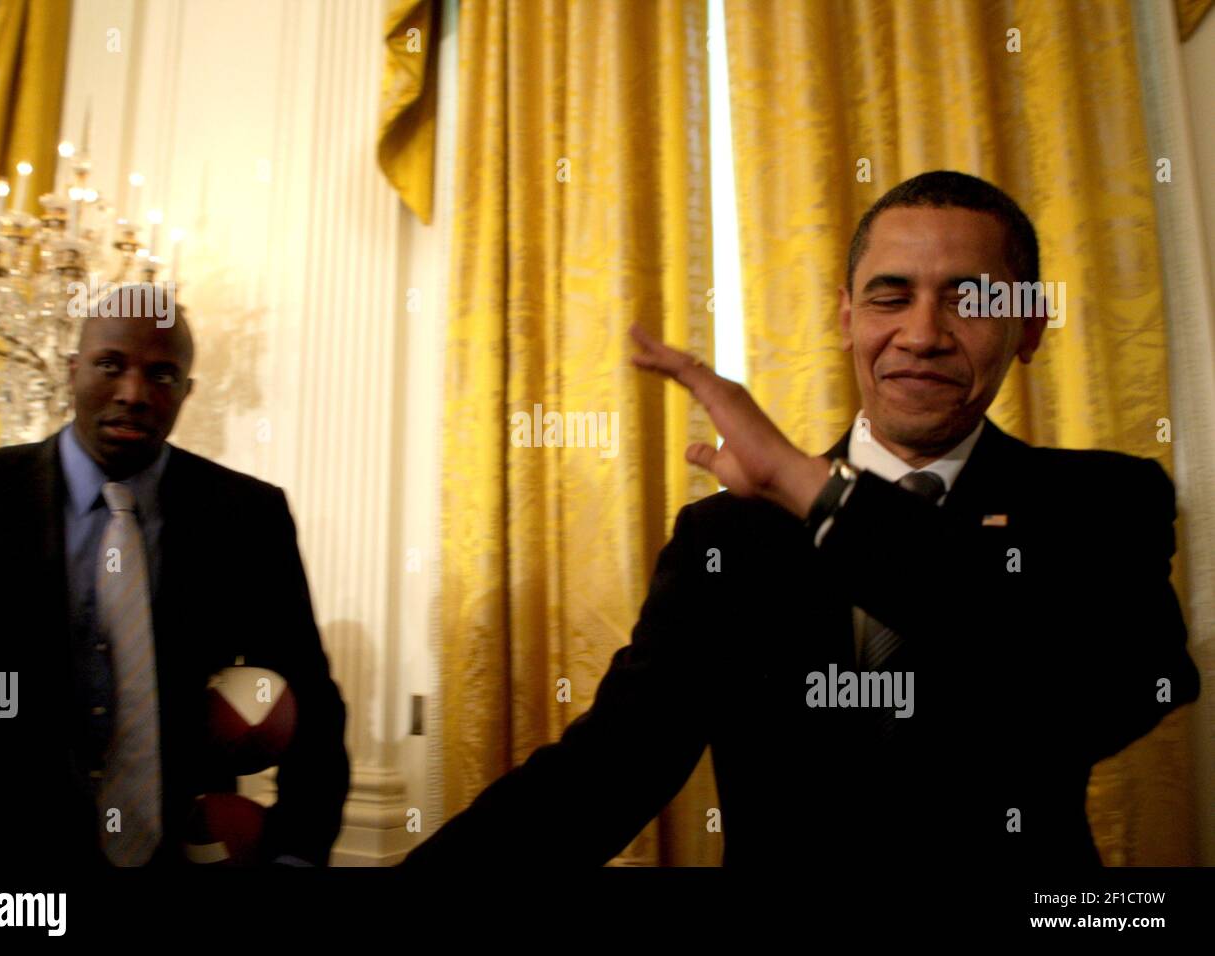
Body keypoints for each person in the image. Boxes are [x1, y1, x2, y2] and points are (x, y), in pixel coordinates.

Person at [402, 171, 1200, 868]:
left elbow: (1116, 690)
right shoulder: (726, 541)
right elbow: (606, 774)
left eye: (970, 300)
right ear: (846, 317)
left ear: (1028, 328)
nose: (921, 335)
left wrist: (807, 486)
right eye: (891, 296)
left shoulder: (1107, 500)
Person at [0, 283, 349, 867]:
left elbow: (312, 702)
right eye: (110, 365)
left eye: (162, 376)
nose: (134, 393)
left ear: (187, 393)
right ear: (71, 371)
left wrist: (295, 853)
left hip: (185, 855)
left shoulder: (247, 516)